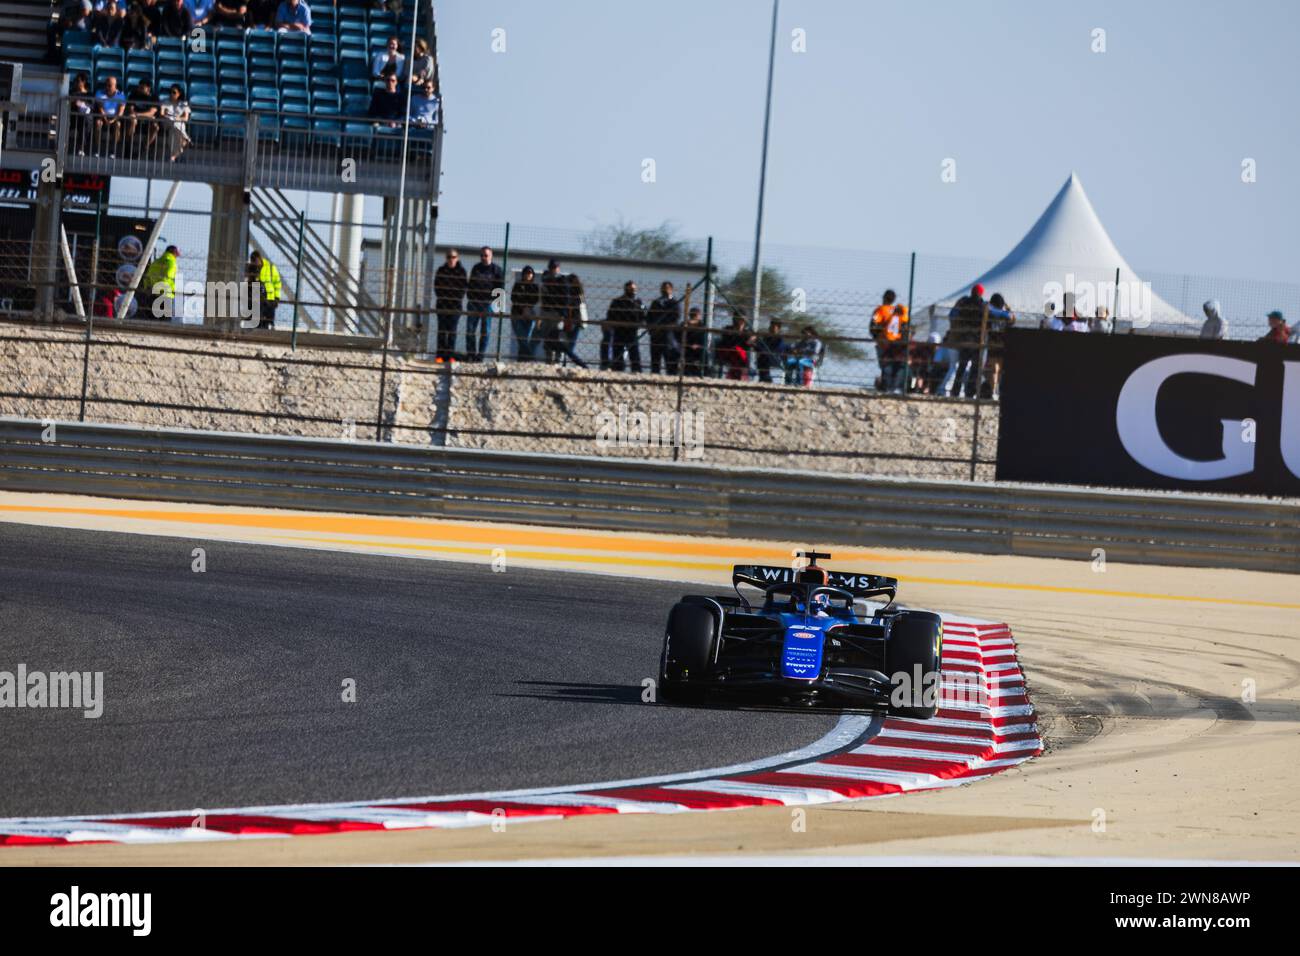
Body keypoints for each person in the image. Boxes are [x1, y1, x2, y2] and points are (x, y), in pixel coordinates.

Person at [945, 283, 986, 397]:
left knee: (961, 367)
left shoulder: (964, 302)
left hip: (965, 338)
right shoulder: (983, 305)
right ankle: (970, 392)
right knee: (974, 368)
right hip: (977, 340)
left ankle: (955, 391)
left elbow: (952, 315)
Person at [464, 246, 504, 363]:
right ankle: (470, 354)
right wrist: (471, 299)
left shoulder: (496, 270)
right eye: (481, 255)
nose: (483, 257)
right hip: (474, 303)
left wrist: (497, 306)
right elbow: (470, 284)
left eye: (486, 255)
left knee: (485, 331)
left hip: (488, 304)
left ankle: (480, 356)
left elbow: (500, 289)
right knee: (470, 330)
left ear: (491, 256)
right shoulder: (476, 268)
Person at [433, 249, 467, 362]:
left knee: (452, 331)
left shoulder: (461, 272)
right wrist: (445, 298)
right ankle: (440, 356)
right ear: (446, 258)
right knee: (442, 330)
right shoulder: (441, 270)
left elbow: (462, 289)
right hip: (442, 305)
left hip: (455, 306)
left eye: (453, 257)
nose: (451, 259)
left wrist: (453, 298)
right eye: (449, 257)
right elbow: (437, 287)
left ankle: (450, 356)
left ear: (457, 258)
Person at [603, 281, 644, 372]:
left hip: (632, 331)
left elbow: (642, 316)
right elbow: (611, 315)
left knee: (634, 353)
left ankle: (636, 371)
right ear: (626, 289)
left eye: (634, 289)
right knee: (618, 352)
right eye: (631, 289)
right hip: (619, 330)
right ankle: (618, 370)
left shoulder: (638, 302)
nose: (633, 291)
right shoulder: (618, 301)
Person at [538, 260, 571, 365]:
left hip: (557, 313)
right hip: (546, 312)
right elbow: (543, 298)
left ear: (558, 268)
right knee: (547, 336)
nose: (553, 270)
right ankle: (549, 360)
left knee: (557, 336)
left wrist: (562, 314)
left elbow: (566, 299)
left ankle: (558, 360)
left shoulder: (562, 281)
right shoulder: (545, 280)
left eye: (555, 267)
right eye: (551, 267)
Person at [645, 281, 680, 374]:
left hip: (668, 335)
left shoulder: (674, 303)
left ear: (671, 290)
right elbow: (649, 317)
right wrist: (652, 329)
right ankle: (654, 377)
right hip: (656, 335)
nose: (665, 290)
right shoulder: (656, 303)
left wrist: (663, 327)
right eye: (663, 288)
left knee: (670, 359)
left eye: (667, 288)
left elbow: (675, 318)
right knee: (655, 360)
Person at [556, 273, 589, 368]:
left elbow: (570, 307)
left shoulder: (573, 294)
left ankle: (582, 365)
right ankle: (565, 363)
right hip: (574, 322)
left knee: (568, 347)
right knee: (568, 346)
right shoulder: (579, 294)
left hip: (572, 322)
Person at [139, 245, 180, 320]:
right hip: (165, 293)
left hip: (153, 293)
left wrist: (147, 287)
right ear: (174, 252)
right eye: (177, 252)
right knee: (165, 321)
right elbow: (169, 276)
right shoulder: (172, 262)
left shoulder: (156, 262)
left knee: (151, 318)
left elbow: (147, 277)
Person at [510, 266, 540, 360]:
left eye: (530, 273)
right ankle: (530, 357)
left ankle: (522, 359)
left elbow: (535, 299)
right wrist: (523, 308)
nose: (528, 275)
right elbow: (514, 298)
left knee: (525, 338)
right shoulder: (518, 285)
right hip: (517, 314)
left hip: (529, 315)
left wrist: (527, 308)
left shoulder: (534, 287)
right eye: (526, 273)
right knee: (521, 338)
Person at [124, 79, 159, 159]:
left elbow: (151, 113)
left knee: (155, 126)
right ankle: (128, 147)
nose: (139, 90)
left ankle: (144, 148)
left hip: (148, 122)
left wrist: (138, 114)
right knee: (133, 120)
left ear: (148, 88)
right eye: (139, 87)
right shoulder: (133, 95)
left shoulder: (154, 97)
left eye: (142, 88)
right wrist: (136, 115)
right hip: (136, 121)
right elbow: (131, 110)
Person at [93, 75, 126, 157]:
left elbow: (121, 111)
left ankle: (113, 150)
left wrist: (113, 120)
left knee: (118, 125)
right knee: (98, 123)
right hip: (102, 116)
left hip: (115, 117)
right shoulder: (99, 93)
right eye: (107, 85)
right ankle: (97, 149)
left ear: (115, 85)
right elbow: (100, 108)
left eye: (110, 85)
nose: (107, 87)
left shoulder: (121, 95)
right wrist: (105, 119)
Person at [247, 251, 281, 329]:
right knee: (258, 319)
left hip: (270, 298)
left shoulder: (271, 268)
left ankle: (268, 328)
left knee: (268, 320)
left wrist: (277, 297)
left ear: (259, 259)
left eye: (255, 261)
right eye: (253, 262)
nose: (255, 264)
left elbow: (277, 284)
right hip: (258, 298)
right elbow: (249, 283)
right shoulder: (252, 268)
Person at [716, 314, 753, 381]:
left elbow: (747, 345)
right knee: (738, 350)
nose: (741, 322)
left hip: (739, 355)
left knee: (740, 352)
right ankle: (736, 374)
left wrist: (749, 340)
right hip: (728, 352)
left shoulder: (746, 332)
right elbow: (728, 342)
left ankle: (740, 376)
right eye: (740, 320)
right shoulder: (728, 329)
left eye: (743, 321)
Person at [159, 84, 190, 162]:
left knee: (172, 132)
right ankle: (185, 137)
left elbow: (186, 118)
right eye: (170, 92)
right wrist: (169, 116)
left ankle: (173, 156)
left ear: (179, 94)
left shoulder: (184, 104)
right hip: (167, 122)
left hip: (178, 124)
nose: (171, 94)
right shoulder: (165, 101)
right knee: (173, 124)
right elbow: (162, 114)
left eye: (174, 92)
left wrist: (178, 118)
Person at [680, 306, 708, 376]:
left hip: (698, 347)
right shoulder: (685, 324)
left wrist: (698, 345)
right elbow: (681, 338)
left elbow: (703, 339)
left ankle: (704, 373)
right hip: (687, 347)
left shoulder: (701, 325)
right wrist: (689, 345)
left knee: (704, 354)